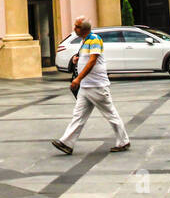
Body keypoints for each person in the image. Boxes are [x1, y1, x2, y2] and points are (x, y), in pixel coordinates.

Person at [52, 18, 129, 155]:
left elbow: (93, 60)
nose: (74, 29)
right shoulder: (85, 41)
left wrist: (78, 78)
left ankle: (123, 141)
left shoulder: (94, 39)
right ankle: (67, 143)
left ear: (84, 29)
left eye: (77, 27)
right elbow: (86, 58)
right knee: (78, 115)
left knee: (110, 114)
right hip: (86, 86)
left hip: (97, 86)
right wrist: (77, 59)